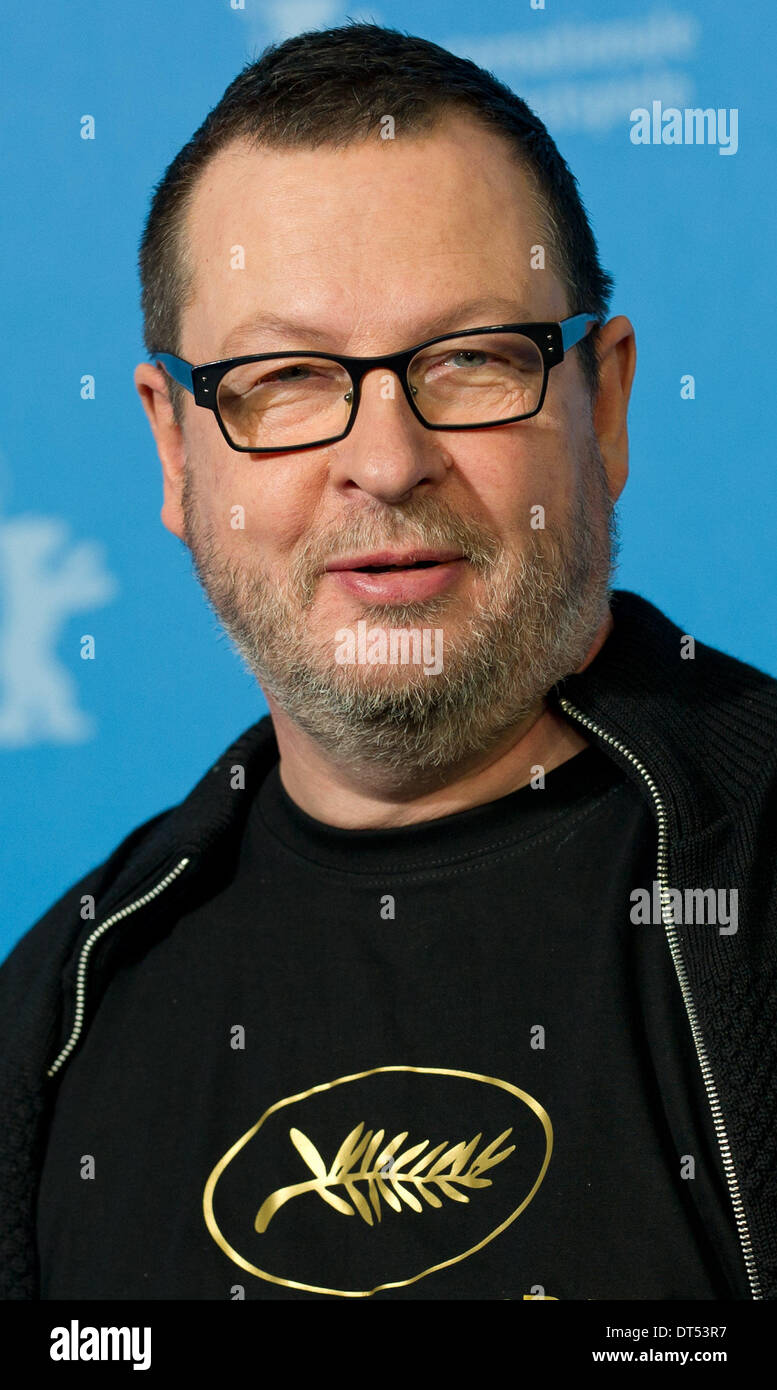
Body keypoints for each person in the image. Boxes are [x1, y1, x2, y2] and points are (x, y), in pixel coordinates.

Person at [1, 22, 775, 1303]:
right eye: (285, 378)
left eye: (470, 359)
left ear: (607, 405)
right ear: (175, 454)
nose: (386, 457)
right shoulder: (50, 1027)